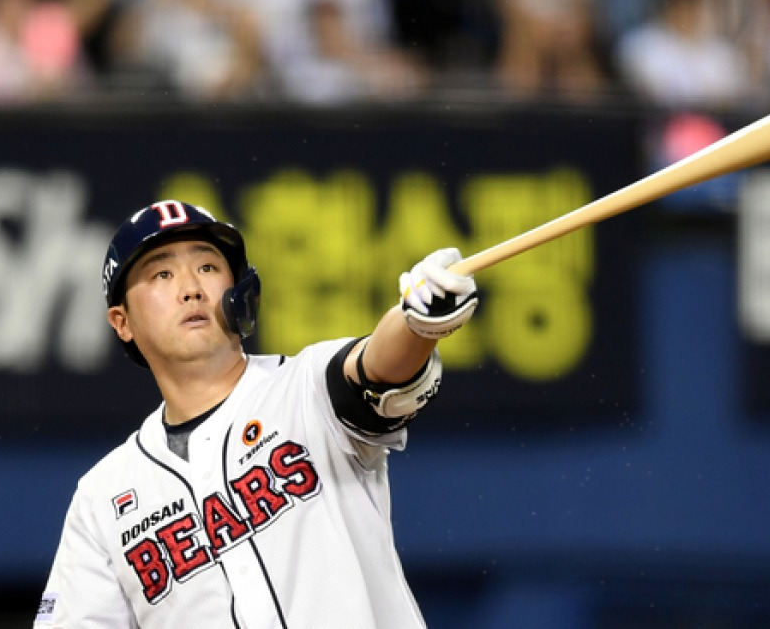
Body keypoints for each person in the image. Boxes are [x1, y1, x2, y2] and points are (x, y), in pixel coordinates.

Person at [35, 199, 478, 627]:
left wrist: (417, 321)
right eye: (162, 274)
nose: (191, 288)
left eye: (208, 267)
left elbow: (375, 364)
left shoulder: (305, 389)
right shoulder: (102, 497)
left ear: (238, 290)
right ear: (122, 322)